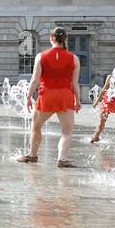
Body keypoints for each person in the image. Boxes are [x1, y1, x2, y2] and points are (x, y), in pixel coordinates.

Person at [18, 27, 80, 166]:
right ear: (65, 39)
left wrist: (28, 97)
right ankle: (62, 159)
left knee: (36, 126)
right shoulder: (74, 58)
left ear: (51, 38)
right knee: (67, 131)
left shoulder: (41, 56)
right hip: (65, 95)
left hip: (47, 95)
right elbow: (75, 83)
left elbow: (35, 80)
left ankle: (32, 155)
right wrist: (78, 100)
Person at [90, 63, 115, 146]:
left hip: (108, 102)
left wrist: (96, 102)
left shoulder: (110, 77)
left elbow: (104, 90)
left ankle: (96, 136)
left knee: (102, 121)